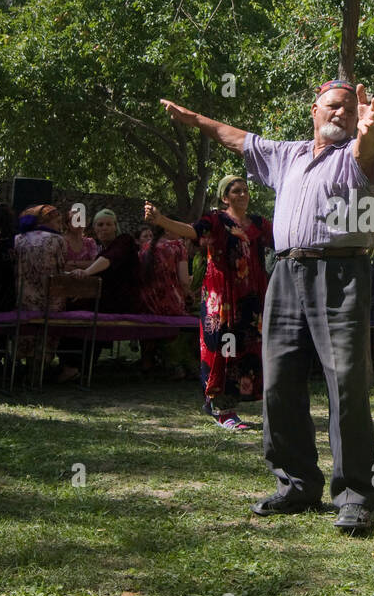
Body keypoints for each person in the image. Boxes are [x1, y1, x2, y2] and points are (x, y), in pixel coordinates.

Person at [161, 76, 374, 533]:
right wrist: (194, 120)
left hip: (341, 272)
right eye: (333, 106)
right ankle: (297, 484)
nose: (341, 112)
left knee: (345, 383)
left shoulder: (363, 156)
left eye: (349, 107)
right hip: (286, 274)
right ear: (314, 110)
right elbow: (237, 137)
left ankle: (356, 496)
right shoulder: (288, 154)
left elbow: (366, 149)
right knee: (279, 379)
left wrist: (369, 127)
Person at [145, 175, 272, 429]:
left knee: (246, 350)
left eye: (245, 190)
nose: (243, 194)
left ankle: (222, 403)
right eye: (236, 191)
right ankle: (222, 409)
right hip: (221, 297)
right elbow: (191, 231)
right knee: (220, 350)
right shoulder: (215, 220)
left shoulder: (258, 223)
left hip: (251, 298)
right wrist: (160, 220)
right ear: (225, 197)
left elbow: (284, 238)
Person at [14, 204, 79, 382]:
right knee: (48, 329)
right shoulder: (57, 240)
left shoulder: (19, 238)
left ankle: (28, 367)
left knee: (28, 330)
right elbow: (60, 267)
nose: (60, 225)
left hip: (25, 295)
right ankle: (40, 367)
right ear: (46, 221)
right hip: (50, 296)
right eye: (57, 221)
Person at [136, 222, 193, 380]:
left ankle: (147, 362)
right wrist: (189, 293)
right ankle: (177, 364)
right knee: (191, 315)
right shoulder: (178, 246)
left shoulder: (145, 247)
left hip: (146, 303)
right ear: (168, 229)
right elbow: (183, 280)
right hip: (170, 305)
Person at [75, 209, 143, 315]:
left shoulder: (125, 241)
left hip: (123, 307)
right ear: (94, 229)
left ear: (115, 227)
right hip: (105, 305)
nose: (104, 228)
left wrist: (86, 272)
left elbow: (111, 257)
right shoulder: (101, 254)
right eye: (100, 225)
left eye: (109, 224)